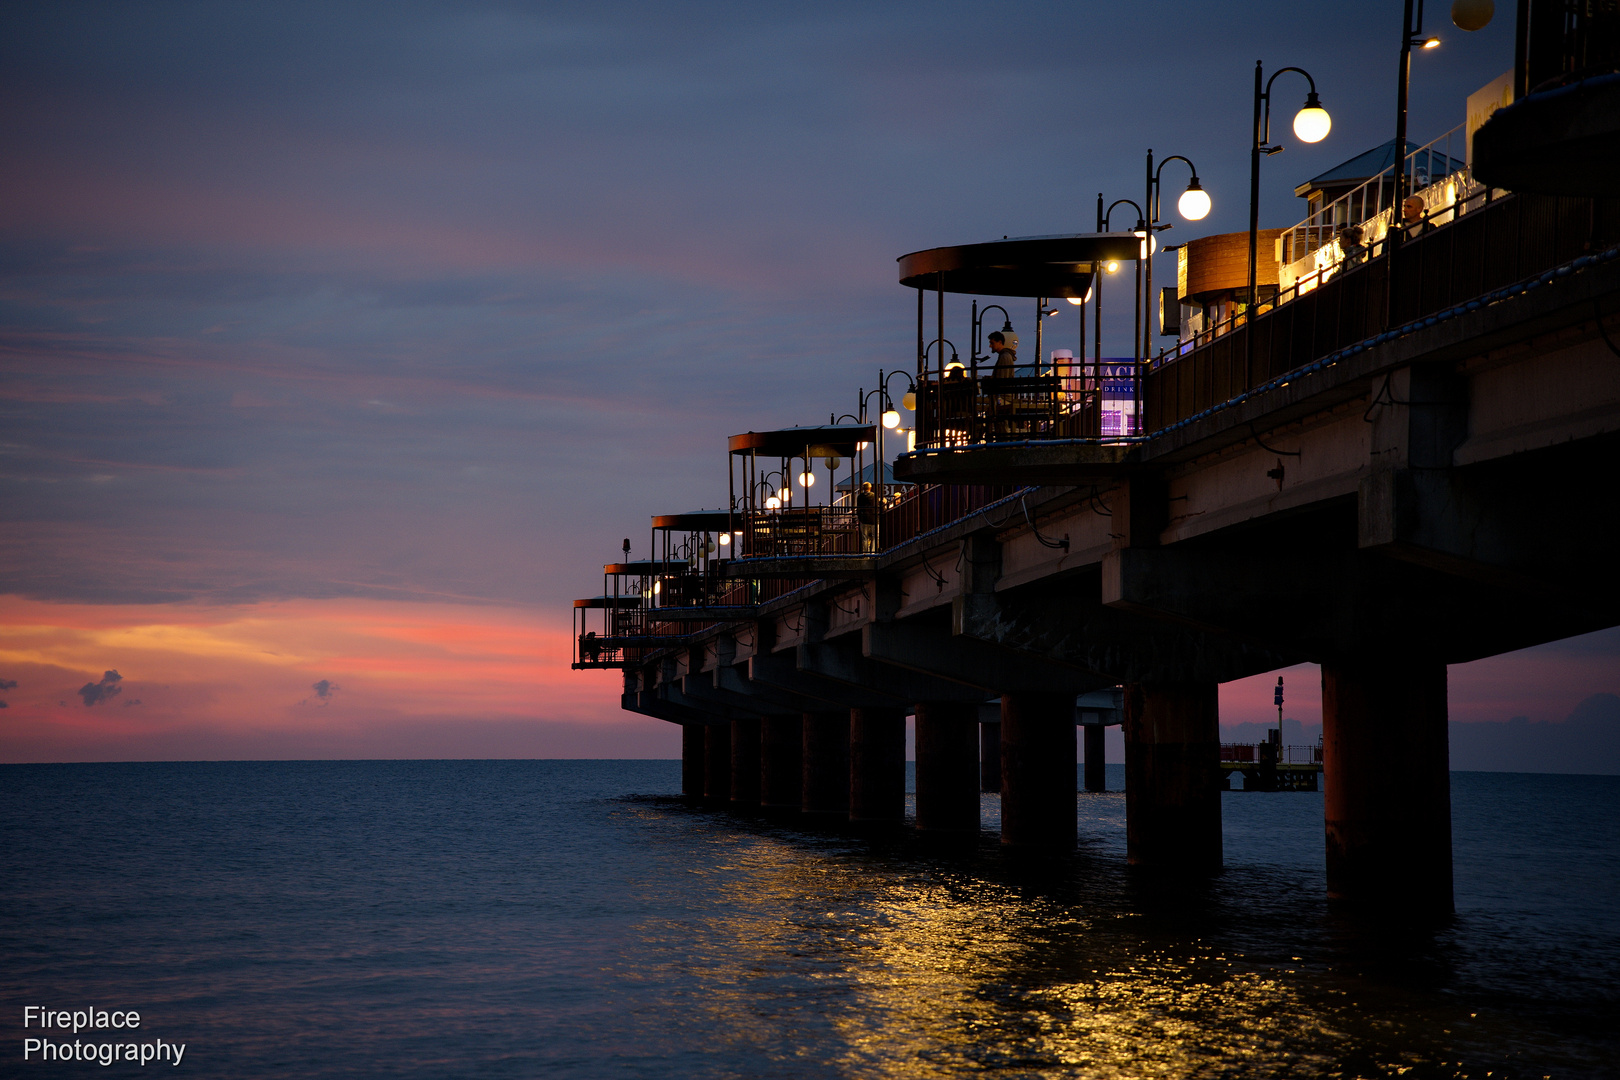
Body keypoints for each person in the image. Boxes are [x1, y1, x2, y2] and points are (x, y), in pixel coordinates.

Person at [856, 481, 877, 552]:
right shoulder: (874, 496)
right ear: (870, 488)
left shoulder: (860, 497)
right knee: (875, 536)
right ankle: (873, 551)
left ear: (863, 488)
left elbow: (858, 509)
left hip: (863, 519)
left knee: (864, 537)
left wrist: (859, 518)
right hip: (873, 519)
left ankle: (865, 552)